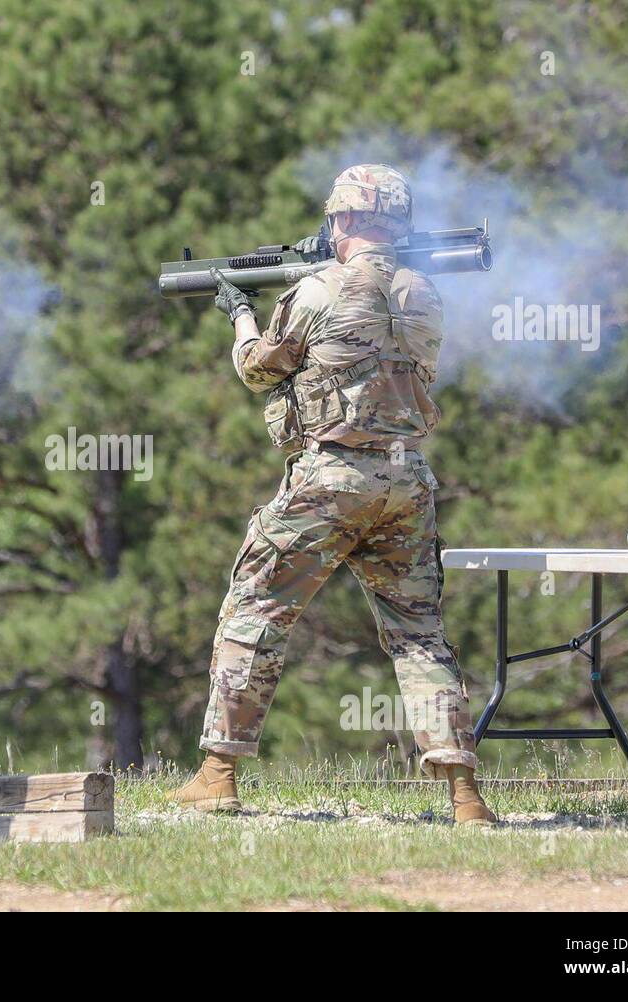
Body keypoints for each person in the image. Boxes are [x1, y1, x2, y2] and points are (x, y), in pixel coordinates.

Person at [170, 164, 496, 825]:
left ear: (339, 219)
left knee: (255, 612)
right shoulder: (426, 294)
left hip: (328, 481)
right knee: (419, 636)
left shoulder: (317, 291)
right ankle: (465, 796)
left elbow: (261, 371)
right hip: (405, 483)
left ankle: (217, 773)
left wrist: (238, 312)